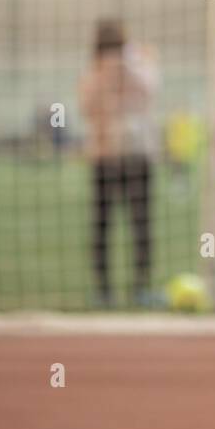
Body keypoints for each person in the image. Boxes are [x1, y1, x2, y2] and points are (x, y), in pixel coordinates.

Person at [78, 20, 159, 307]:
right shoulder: (99, 72)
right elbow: (85, 107)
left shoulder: (125, 67)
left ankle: (131, 288)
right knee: (112, 223)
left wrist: (126, 62)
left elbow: (149, 91)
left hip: (126, 155)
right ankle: (113, 289)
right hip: (112, 155)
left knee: (132, 224)